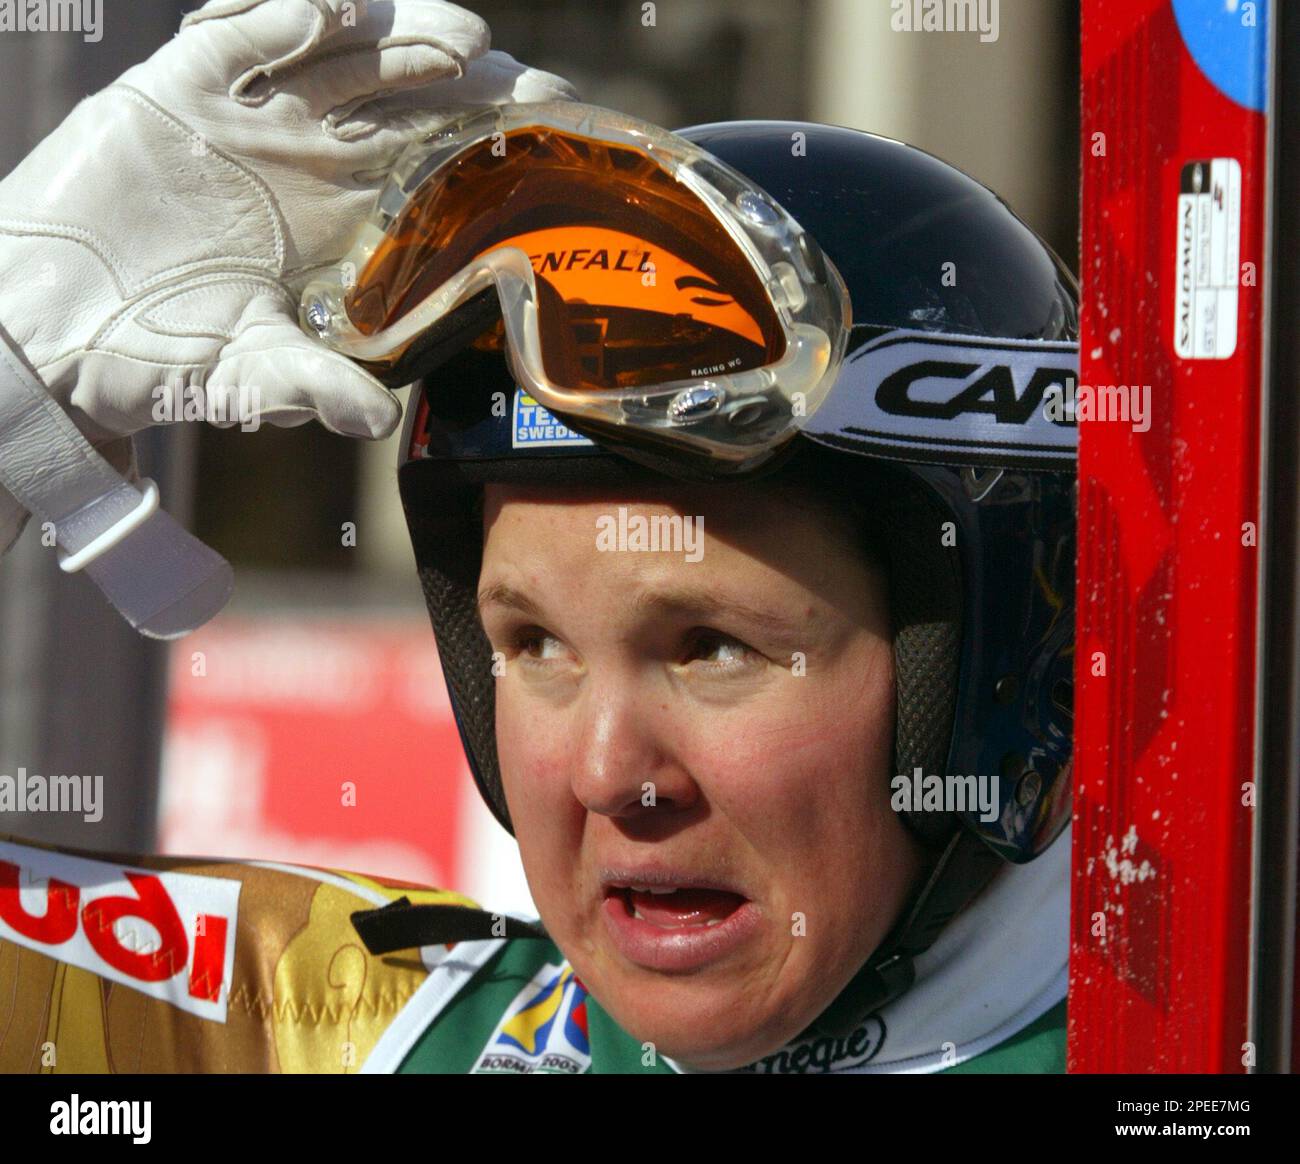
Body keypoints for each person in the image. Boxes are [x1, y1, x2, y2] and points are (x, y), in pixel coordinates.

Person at [0, 1, 1077, 1075]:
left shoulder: (1209, 1029)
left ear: (995, 685)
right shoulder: (353, 1027)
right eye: (534, 646)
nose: (610, 774)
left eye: (712, 647)